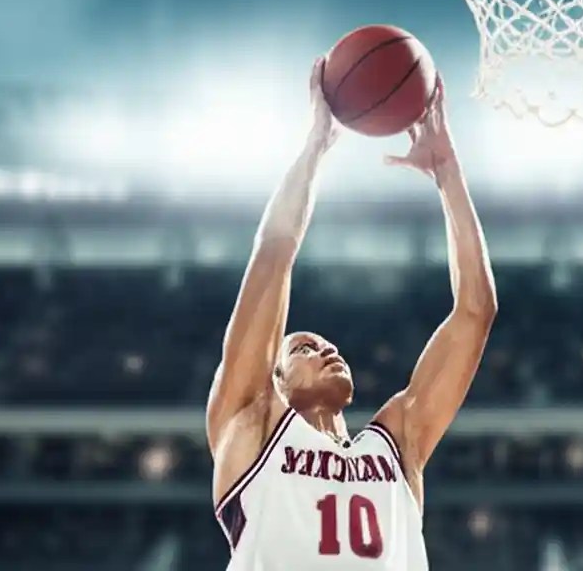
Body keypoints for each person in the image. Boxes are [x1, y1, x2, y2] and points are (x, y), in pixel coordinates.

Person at [207, 56, 497, 569]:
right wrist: (316, 145)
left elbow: (476, 309)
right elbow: (274, 252)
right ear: (274, 377)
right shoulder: (250, 423)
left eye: (326, 345)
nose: (328, 348)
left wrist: (447, 172)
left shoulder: (395, 445)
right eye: (304, 347)